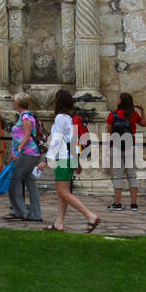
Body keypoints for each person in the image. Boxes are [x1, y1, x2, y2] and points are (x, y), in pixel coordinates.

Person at [42, 89, 100, 233]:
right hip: (70, 157)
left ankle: (90, 215)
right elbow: (74, 141)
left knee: (63, 193)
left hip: (62, 158)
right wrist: (77, 161)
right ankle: (59, 223)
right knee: (64, 192)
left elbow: (56, 141)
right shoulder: (71, 118)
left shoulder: (60, 118)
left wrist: (45, 160)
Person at [106, 92, 146, 211]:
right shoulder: (133, 114)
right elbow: (144, 124)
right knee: (132, 174)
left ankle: (118, 203)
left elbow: (109, 133)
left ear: (121, 101)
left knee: (118, 175)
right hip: (131, 146)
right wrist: (142, 110)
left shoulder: (112, 115)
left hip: (116, 146)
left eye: (118, 98)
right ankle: (134, 204)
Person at [5, 94, 43, 221]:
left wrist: (18, 151)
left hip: (27, 153)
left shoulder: (26, 117)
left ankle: (20, 211)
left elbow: (27, 136)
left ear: (18, 104)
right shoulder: (26, 115)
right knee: (30, 181)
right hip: (30, 153)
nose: (13, 103)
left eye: (14, 101)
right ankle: (34, 214)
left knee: (14, 181)